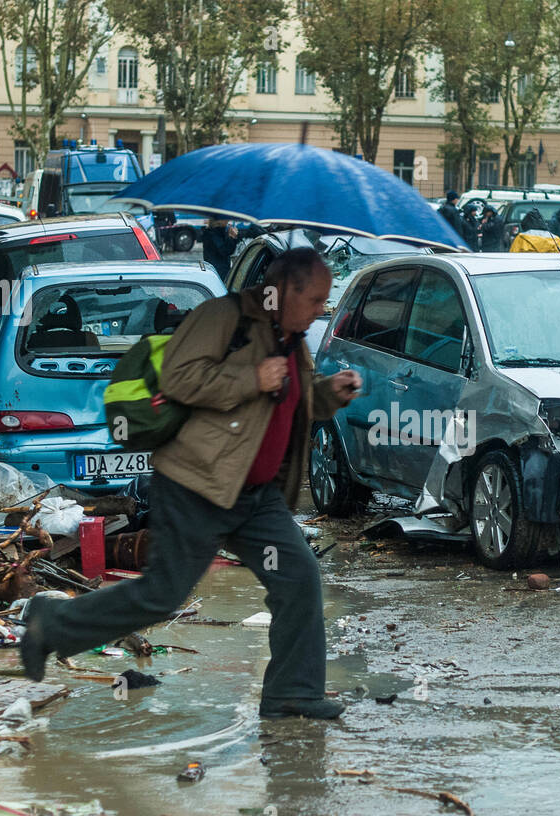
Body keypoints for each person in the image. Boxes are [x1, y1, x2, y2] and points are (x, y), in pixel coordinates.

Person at [20, 248, 363, 720]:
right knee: (163, 593)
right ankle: (50, 625)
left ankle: (293, 693)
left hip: (255, 495)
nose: (322, 309)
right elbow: (179, 379)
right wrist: (251, 376)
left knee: (299, 578)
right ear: (283, 291)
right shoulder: (224, 318)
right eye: (316, 299)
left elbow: (285, 405)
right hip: (195, 483)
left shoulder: (291, 337)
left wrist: (326, 394)